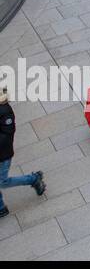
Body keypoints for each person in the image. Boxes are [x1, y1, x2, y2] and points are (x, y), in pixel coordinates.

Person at [0, 86, 46, 219]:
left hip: (3, 155)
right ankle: (1, 207)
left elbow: (6, 135)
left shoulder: (5, 111)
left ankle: (33, 179)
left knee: (2, 182)